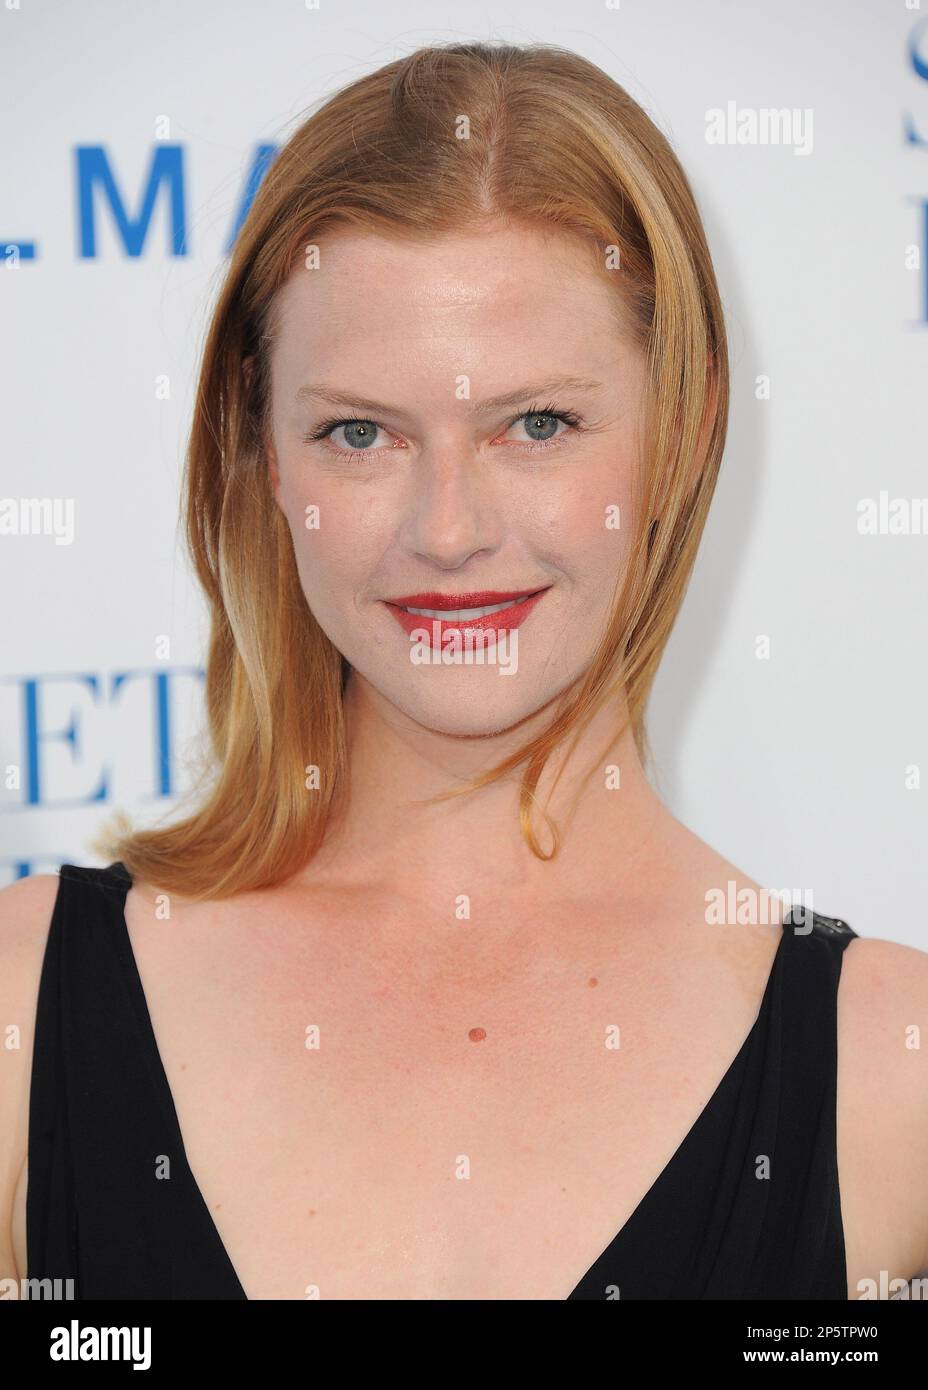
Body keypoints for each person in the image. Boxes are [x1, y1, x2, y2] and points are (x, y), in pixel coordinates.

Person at [2, 41, 926, 1301]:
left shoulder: (889, 1068)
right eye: (359, 432)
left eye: (535, 423)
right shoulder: (23, 1007)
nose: (447, 529)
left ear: (686, 422)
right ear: (262, 450)